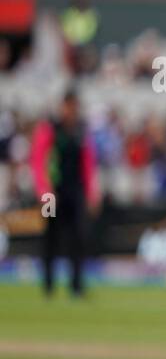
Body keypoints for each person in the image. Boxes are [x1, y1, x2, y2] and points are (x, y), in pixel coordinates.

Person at [31, 88, 100, 297]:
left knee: (78, 237)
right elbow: (38, 160)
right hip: (53, 192)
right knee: (51, 237)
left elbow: (87, 164)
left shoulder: (80, 131)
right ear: (63, 106)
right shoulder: (50, 129)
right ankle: (49, 286)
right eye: (69, 106)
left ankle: (76, 286)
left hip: (75, 191)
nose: (71, 111)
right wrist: (44, 190)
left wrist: (91, 193)